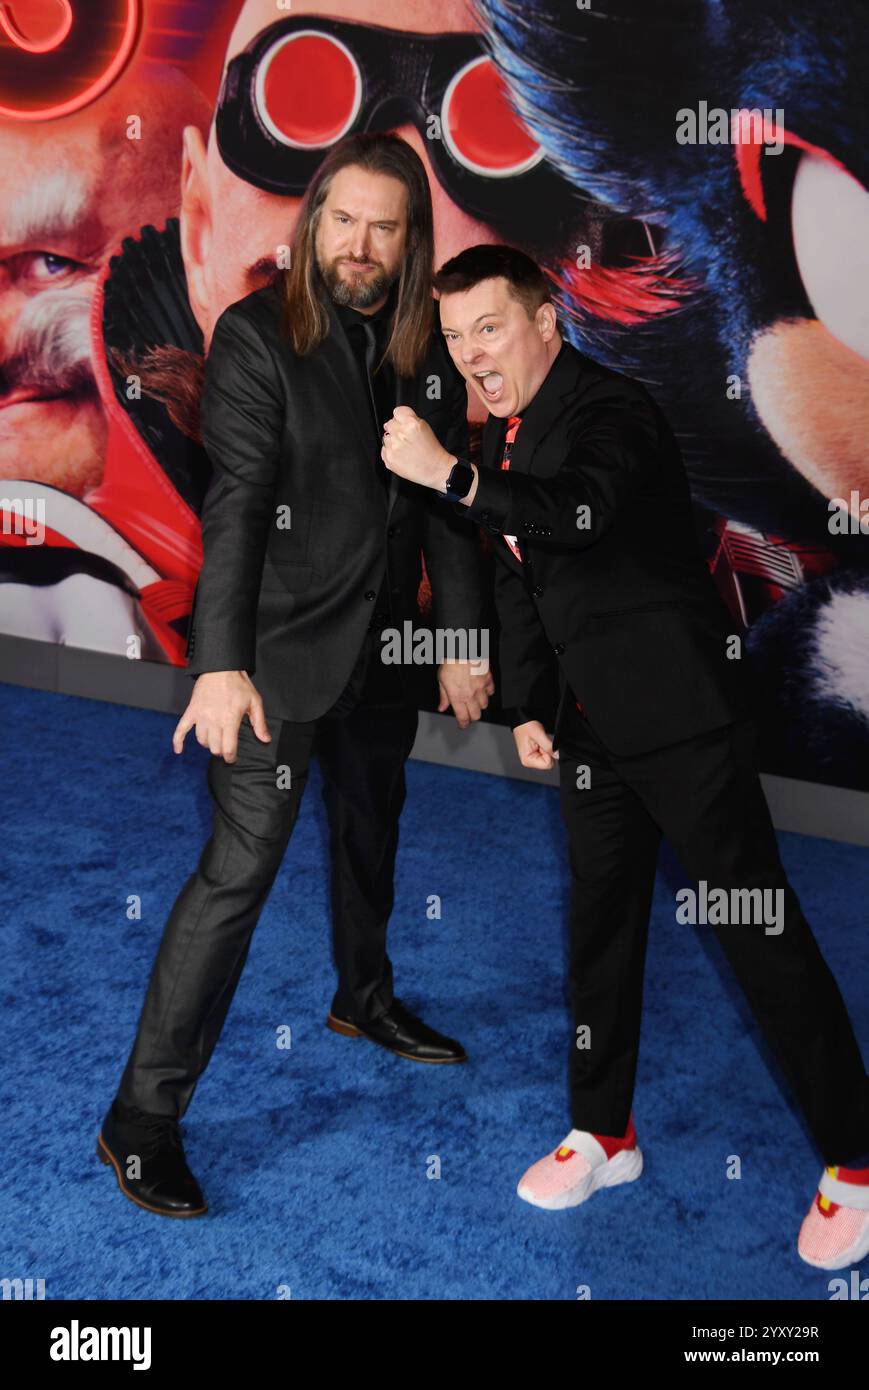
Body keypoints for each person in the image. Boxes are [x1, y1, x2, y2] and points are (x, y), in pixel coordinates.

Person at [380, 242, 869, 1271]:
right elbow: (519, 572)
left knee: (758, 939)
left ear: (544, 320)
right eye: (457, 336)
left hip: (684, 722)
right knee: (596, 930)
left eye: (489, 328)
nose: (471, 354)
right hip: (590, 725)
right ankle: (604, 1132)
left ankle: (857, 1161)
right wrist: (527, 701)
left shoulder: (612, 412)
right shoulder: (504, 431)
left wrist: (451, 475)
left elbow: (577, 516)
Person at [96, 134, 492, 1218]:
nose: (359, 245)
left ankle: (363, 998)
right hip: (270, 661)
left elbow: (446, 508)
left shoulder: (426, 348)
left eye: (385, 226)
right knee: (236, 879)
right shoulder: (255, 336)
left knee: (373, 830)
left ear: (410, 242)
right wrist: (218, 667)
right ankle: (139, 1121)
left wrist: (461, 638)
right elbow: (233, 513)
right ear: (313, 222)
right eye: (342, 219)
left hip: (383, 654)